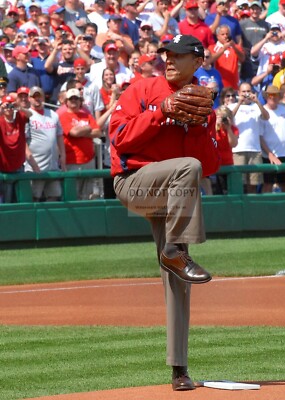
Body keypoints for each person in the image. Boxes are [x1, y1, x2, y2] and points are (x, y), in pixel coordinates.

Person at [109, 34, 220, 390]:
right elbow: (120, 140)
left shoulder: (203, 102)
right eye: (166, 54)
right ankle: (175, 250)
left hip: (173, 196)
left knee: (178, 280)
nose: (169, 59)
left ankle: (179, 370)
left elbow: (211, 165)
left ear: (197, 62)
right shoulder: (141, 90)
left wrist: (201, 127)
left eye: (179, 55)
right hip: (134, 184)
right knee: (187, 166)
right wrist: (161, 112)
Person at [59, 88, 101, 200]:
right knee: (72, 196)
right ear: (66, 102)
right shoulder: (63, 116)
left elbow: (98, 132)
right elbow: (73, 132)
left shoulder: (86, 115)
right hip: (72, 161)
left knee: (87, 196)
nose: (74, 101)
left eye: (76, 98)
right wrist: (87, 128)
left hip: (88, 160)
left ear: (80, 101)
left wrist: (80, 132)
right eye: (71, 99)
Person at [25, 86, 66, 202]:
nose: (37, 99)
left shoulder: (53, 114)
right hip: (35, 166)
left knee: (55, 196)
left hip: (52, 165)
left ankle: (47, 221)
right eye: (34, 96)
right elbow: (23, 142)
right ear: (29, 99)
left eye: (39, 96)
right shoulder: (27, 115)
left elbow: (59, 135)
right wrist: (32, 163)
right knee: (34, 197)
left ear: (44, 97)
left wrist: (63, 155)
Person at [228, 82, 270, 193]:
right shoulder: (232, 106)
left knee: (253, 184)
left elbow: (266, 117)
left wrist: (257, 102)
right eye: (244, 91)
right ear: (238, 93)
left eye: (248, 91)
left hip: (255, 150)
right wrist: (239, 103)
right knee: (238, 183)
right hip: (238, 150)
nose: (246, 94)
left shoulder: (256, 106)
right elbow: (228, 118)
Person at [0, 93, 36, 203]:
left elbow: (30, 114)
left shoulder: (19, 117)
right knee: (7, 200)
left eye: (11, 105)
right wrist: (1, 110)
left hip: (18, 167)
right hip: (4, 168)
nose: (9, 108)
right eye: (7, 105)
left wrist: (19, 107)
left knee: (20, 200)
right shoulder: (1, 120)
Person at [240, 1, 270, 83]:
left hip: (261, 59)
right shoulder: (242, 24)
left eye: (257, 9)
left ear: (261, 10)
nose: (255, 11)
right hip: (247, 59)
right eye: (253, 9)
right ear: (249, 10)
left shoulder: (266, 25)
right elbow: (238, 39)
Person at [209, 24, 245, 90]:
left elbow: (242, 59)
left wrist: (234, 47)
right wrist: (223, 49)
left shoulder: (236, 47)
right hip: (218, 83)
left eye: (227, 34)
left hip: (233, 84)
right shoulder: (212, 48)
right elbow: (210, 59)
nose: (225, 36)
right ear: (217, 36)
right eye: (222, 34)